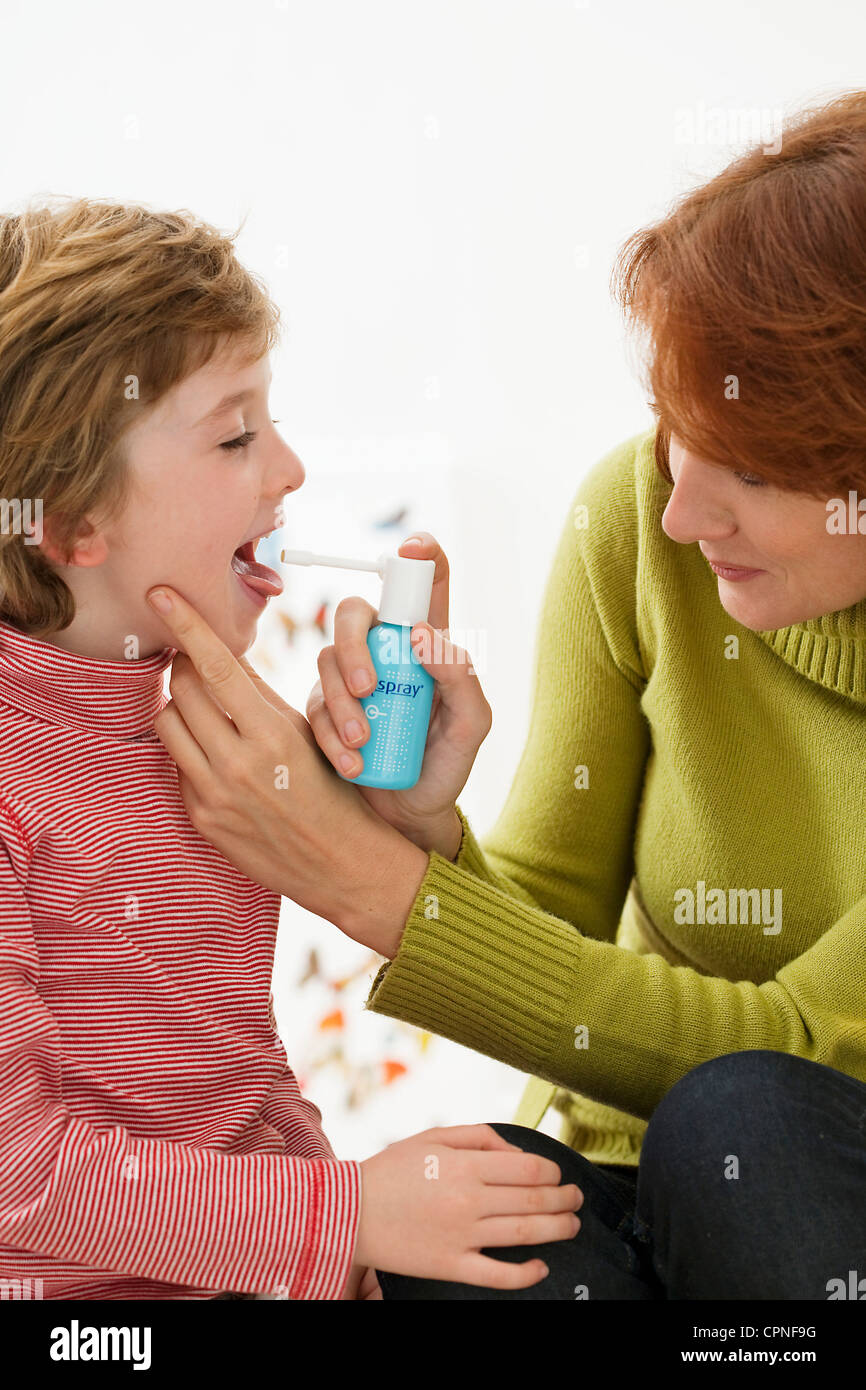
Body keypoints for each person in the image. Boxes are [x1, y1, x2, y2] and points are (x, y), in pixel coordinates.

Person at [144, 90, 866, 1299]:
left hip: (800, 1191)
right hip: (641, 1200)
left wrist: (363, 885)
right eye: (670, 430)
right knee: (466, 1214)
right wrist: (424, 836)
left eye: (751, 466)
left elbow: (800, 1050)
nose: (682, 513)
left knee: (743, 1125)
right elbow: (547, 935)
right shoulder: (636, 521)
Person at [0, 196, 582, 1301]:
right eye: (235, 435)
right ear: (74, 519)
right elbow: (15, 1171)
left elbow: (237, 1072)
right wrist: (348, 1212)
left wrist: (342, 1252)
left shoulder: (201, 735)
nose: (292, 470)